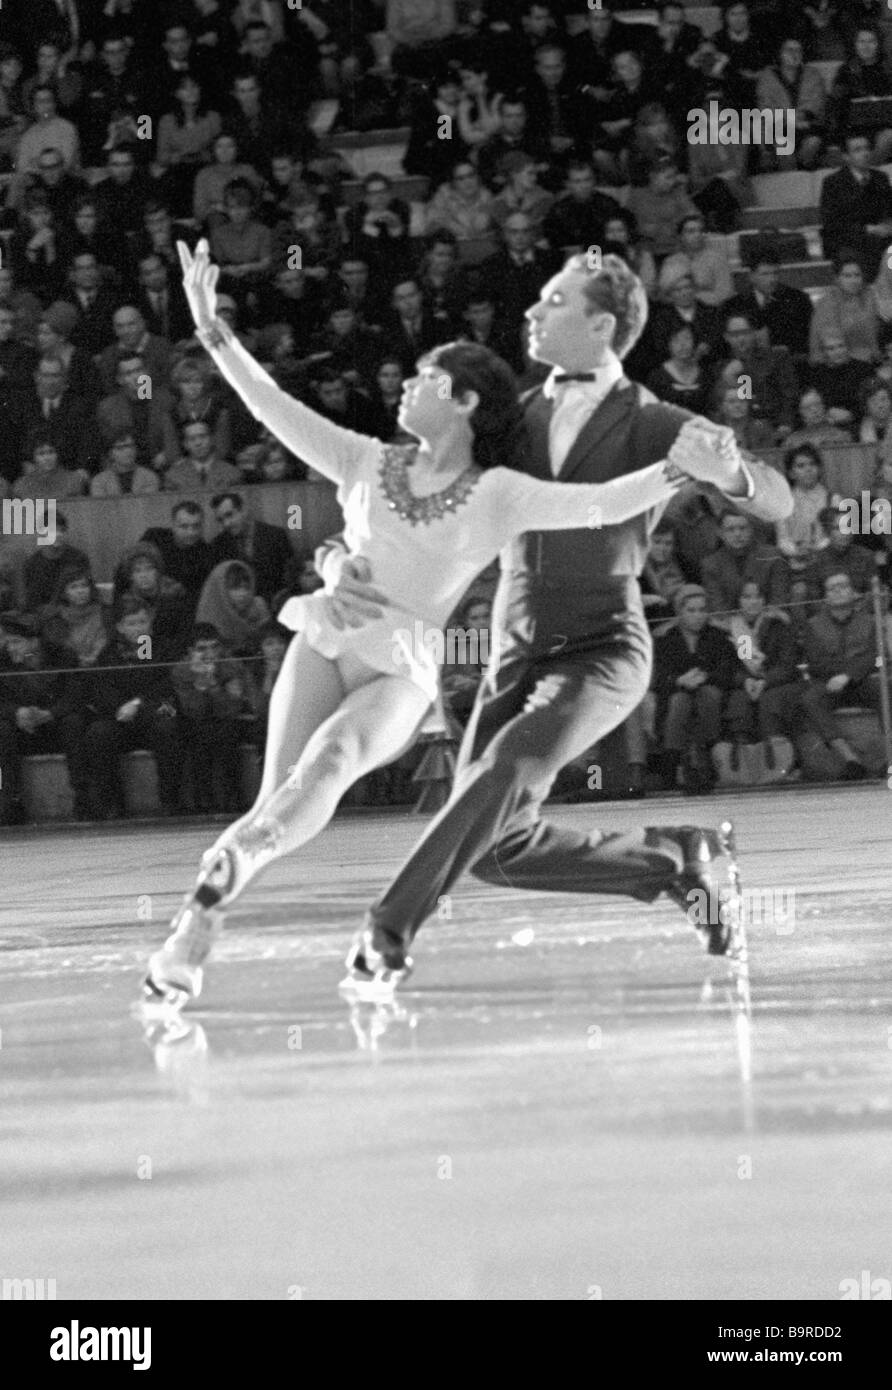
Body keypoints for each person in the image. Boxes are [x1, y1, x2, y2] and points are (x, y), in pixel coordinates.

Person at [142, 239, 689, 1007]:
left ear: (463, 401)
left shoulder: (499, 491)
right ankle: (198, 923)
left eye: (428, 377)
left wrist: (684, 465)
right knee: (273, 803)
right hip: (327, 637)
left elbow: (596, 505)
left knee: (329, 765)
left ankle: (232, 908)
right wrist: (212, 329)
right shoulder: (366, 460)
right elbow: (269, 404)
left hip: (399, 669)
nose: (407, 384)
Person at [326, 255, 791, 997]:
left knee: (504, 773)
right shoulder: (511, 418)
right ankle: (678, 856)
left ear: (602, 325)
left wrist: (731, 471)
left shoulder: (655, 420)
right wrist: (339, 560)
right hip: (513, 651)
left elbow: (777, 500)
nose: (532, 314)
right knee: (495, 848)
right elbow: (403, 495)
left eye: (553, 302)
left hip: (603, 644)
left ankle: (388, 930)